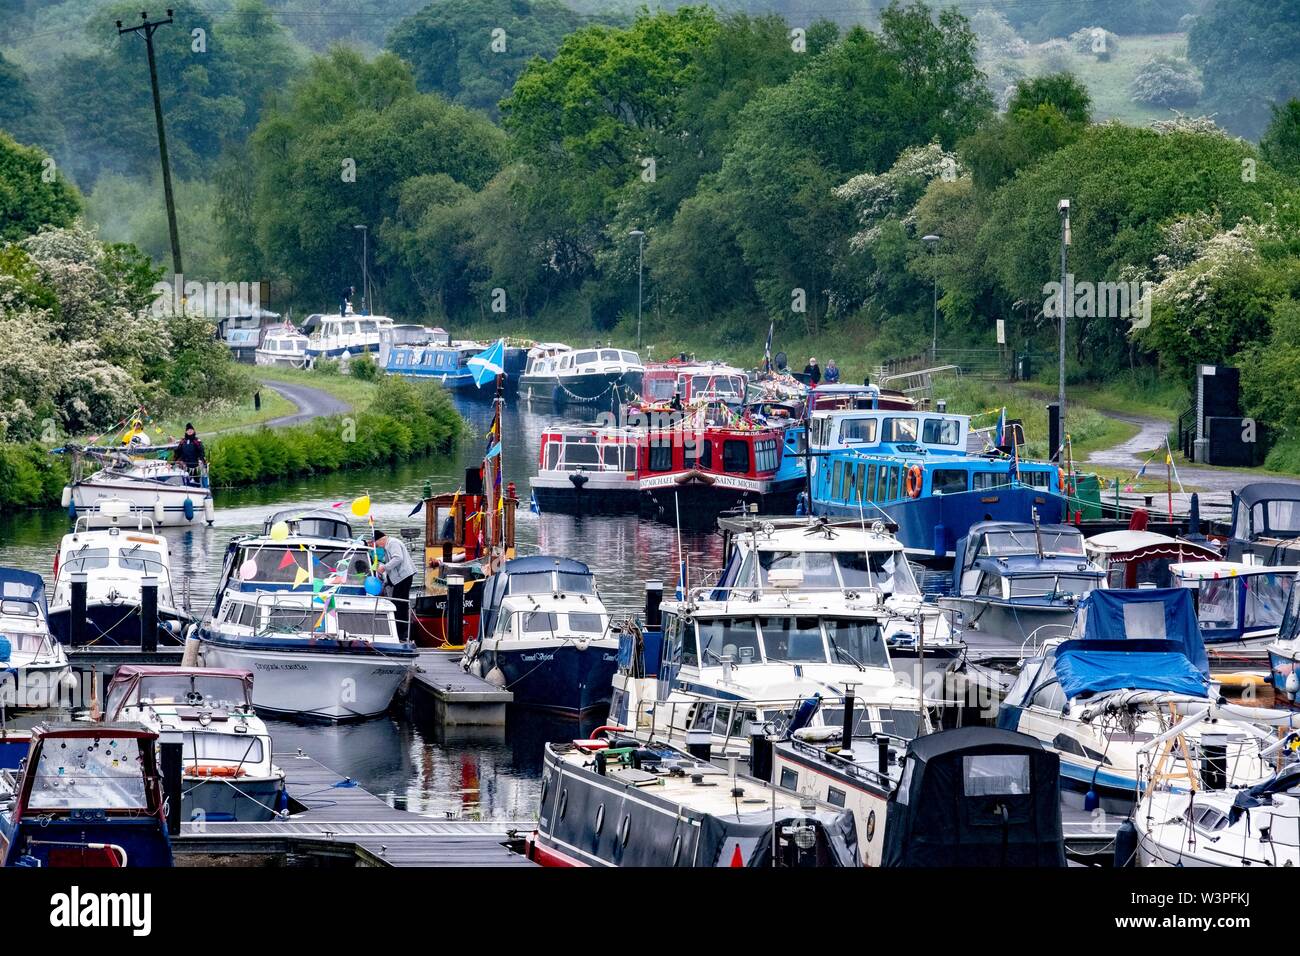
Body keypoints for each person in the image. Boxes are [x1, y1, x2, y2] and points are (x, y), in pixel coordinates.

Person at [375, 530, 416, 643]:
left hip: (404, 576)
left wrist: (384, 567)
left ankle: (401, 633)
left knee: (400, 603)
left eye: (377, 544)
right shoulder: (388, 545)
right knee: (399, 603)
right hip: (399, 578)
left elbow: (398, 558)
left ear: (382, 539)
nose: (378, 546)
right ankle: (400, 631)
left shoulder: (392, 543)